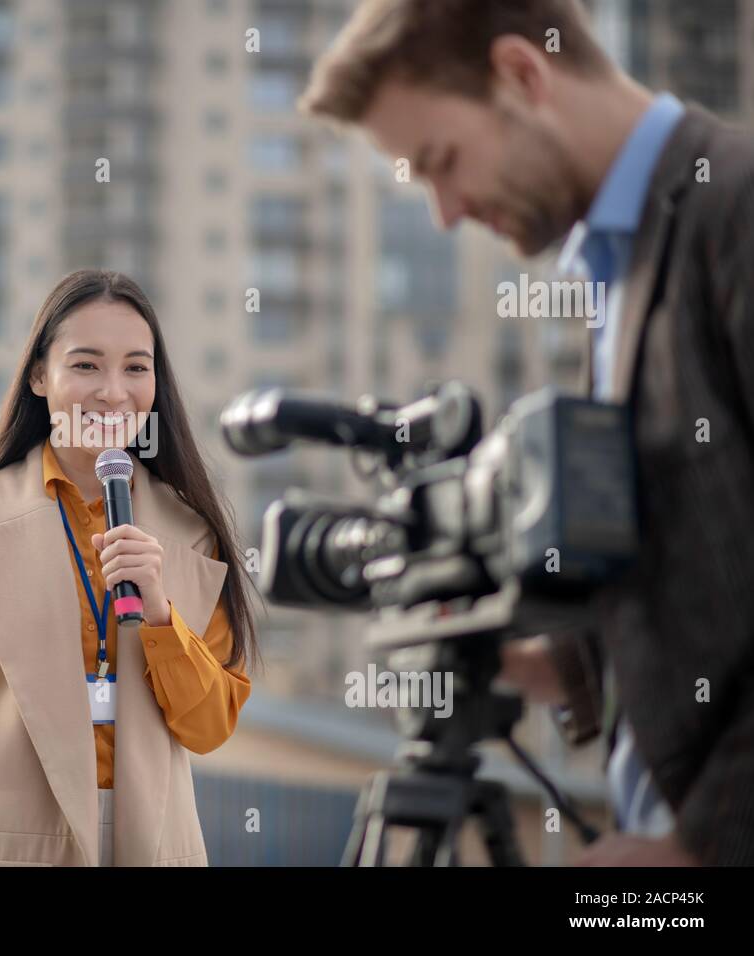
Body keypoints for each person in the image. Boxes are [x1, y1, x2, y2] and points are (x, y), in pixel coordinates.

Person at [300, 0, 754, 865]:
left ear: (522, 74)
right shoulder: (619, 262)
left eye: (440, 162)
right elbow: (713, 556)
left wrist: (699, 848)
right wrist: (558, 664)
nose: (443, 211)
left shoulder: (733, 205)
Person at [0, 269, 260, 866]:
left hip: (155, 846)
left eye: (137, 367)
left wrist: (160, 615)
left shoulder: (194, 532)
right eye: (86, 365)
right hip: (9, 847)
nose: (114, 391)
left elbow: (209, 727)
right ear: (39, 376)